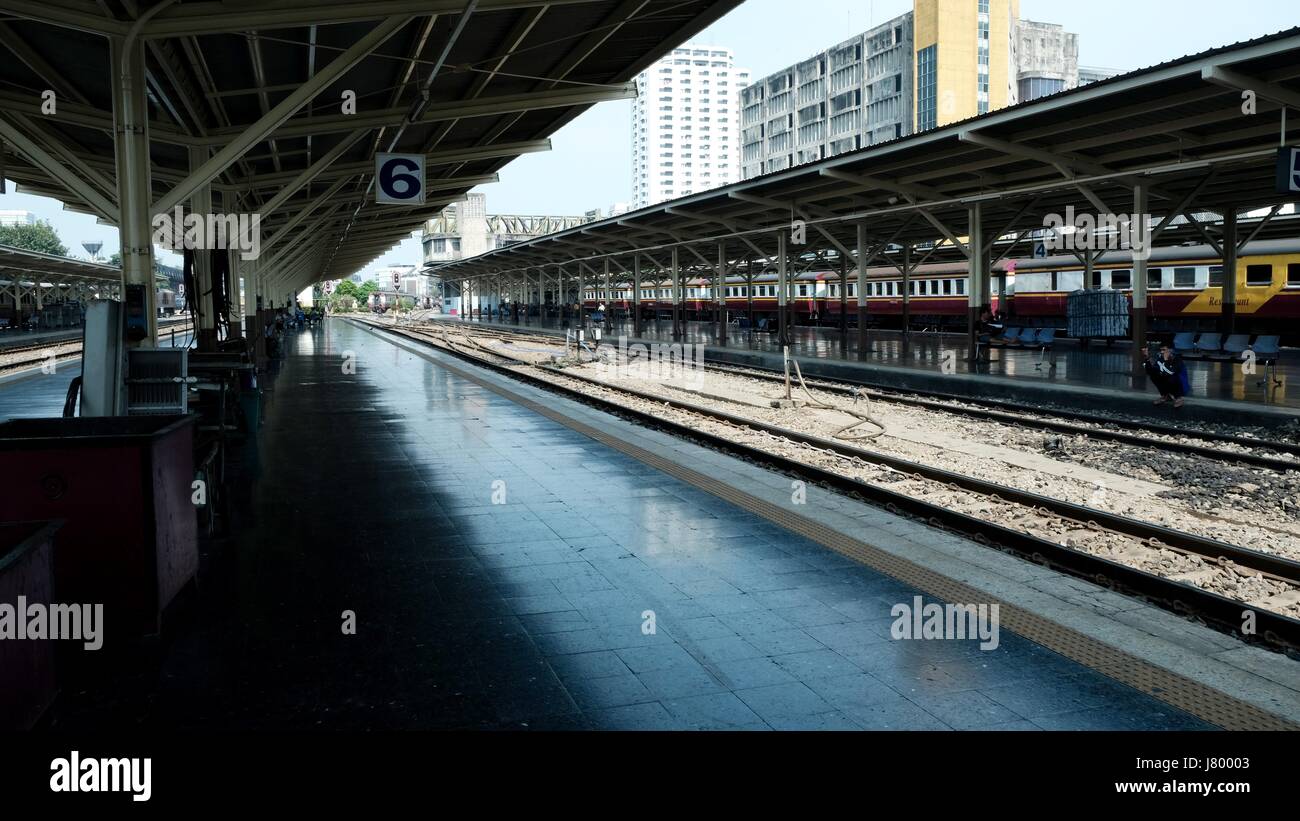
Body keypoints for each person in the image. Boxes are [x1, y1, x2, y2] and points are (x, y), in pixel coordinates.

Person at [1145, 343, 1188, 407]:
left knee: (1171, 377)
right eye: (1161, 350)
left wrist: (1166, 360)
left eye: (1164, 350)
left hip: (1180, 384)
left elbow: (1170, 372)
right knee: (1154, 376)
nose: (1162, 352)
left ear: (1171, 351)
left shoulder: (1177, 359)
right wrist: (1147, 358)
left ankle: (1178, 398)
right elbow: (1150, 371)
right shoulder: (1160, 358)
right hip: (1168, 380)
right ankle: (1165, 396)